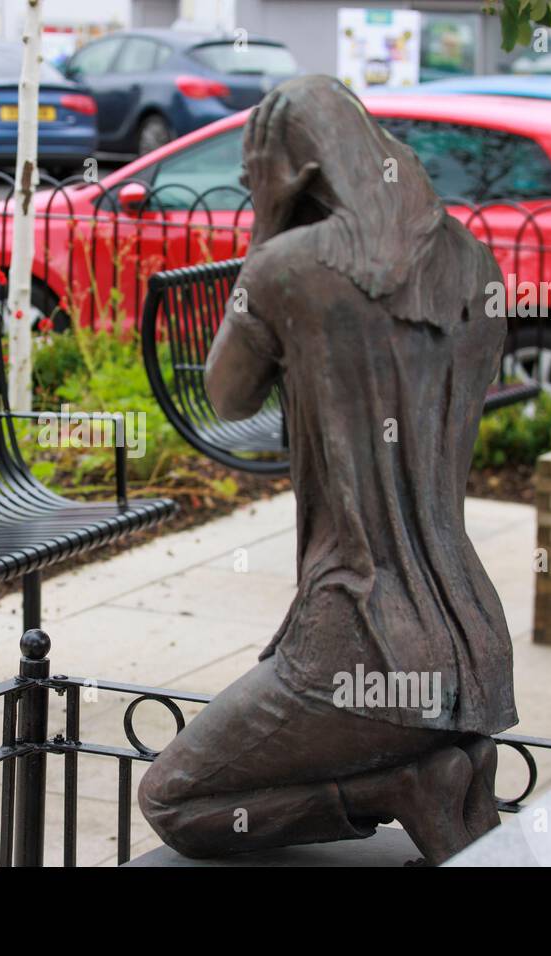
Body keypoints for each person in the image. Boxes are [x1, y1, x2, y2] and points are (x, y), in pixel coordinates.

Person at [137, 76, 518, 865]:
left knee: (172, 799)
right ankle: (430, 764)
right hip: (472, 641)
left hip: (359, 641)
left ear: (293, 175)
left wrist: (268, 233)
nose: (252, 194)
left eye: (255, 180)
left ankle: (396, 787)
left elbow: (227, 393)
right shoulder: (474, 265)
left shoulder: (291, 267)